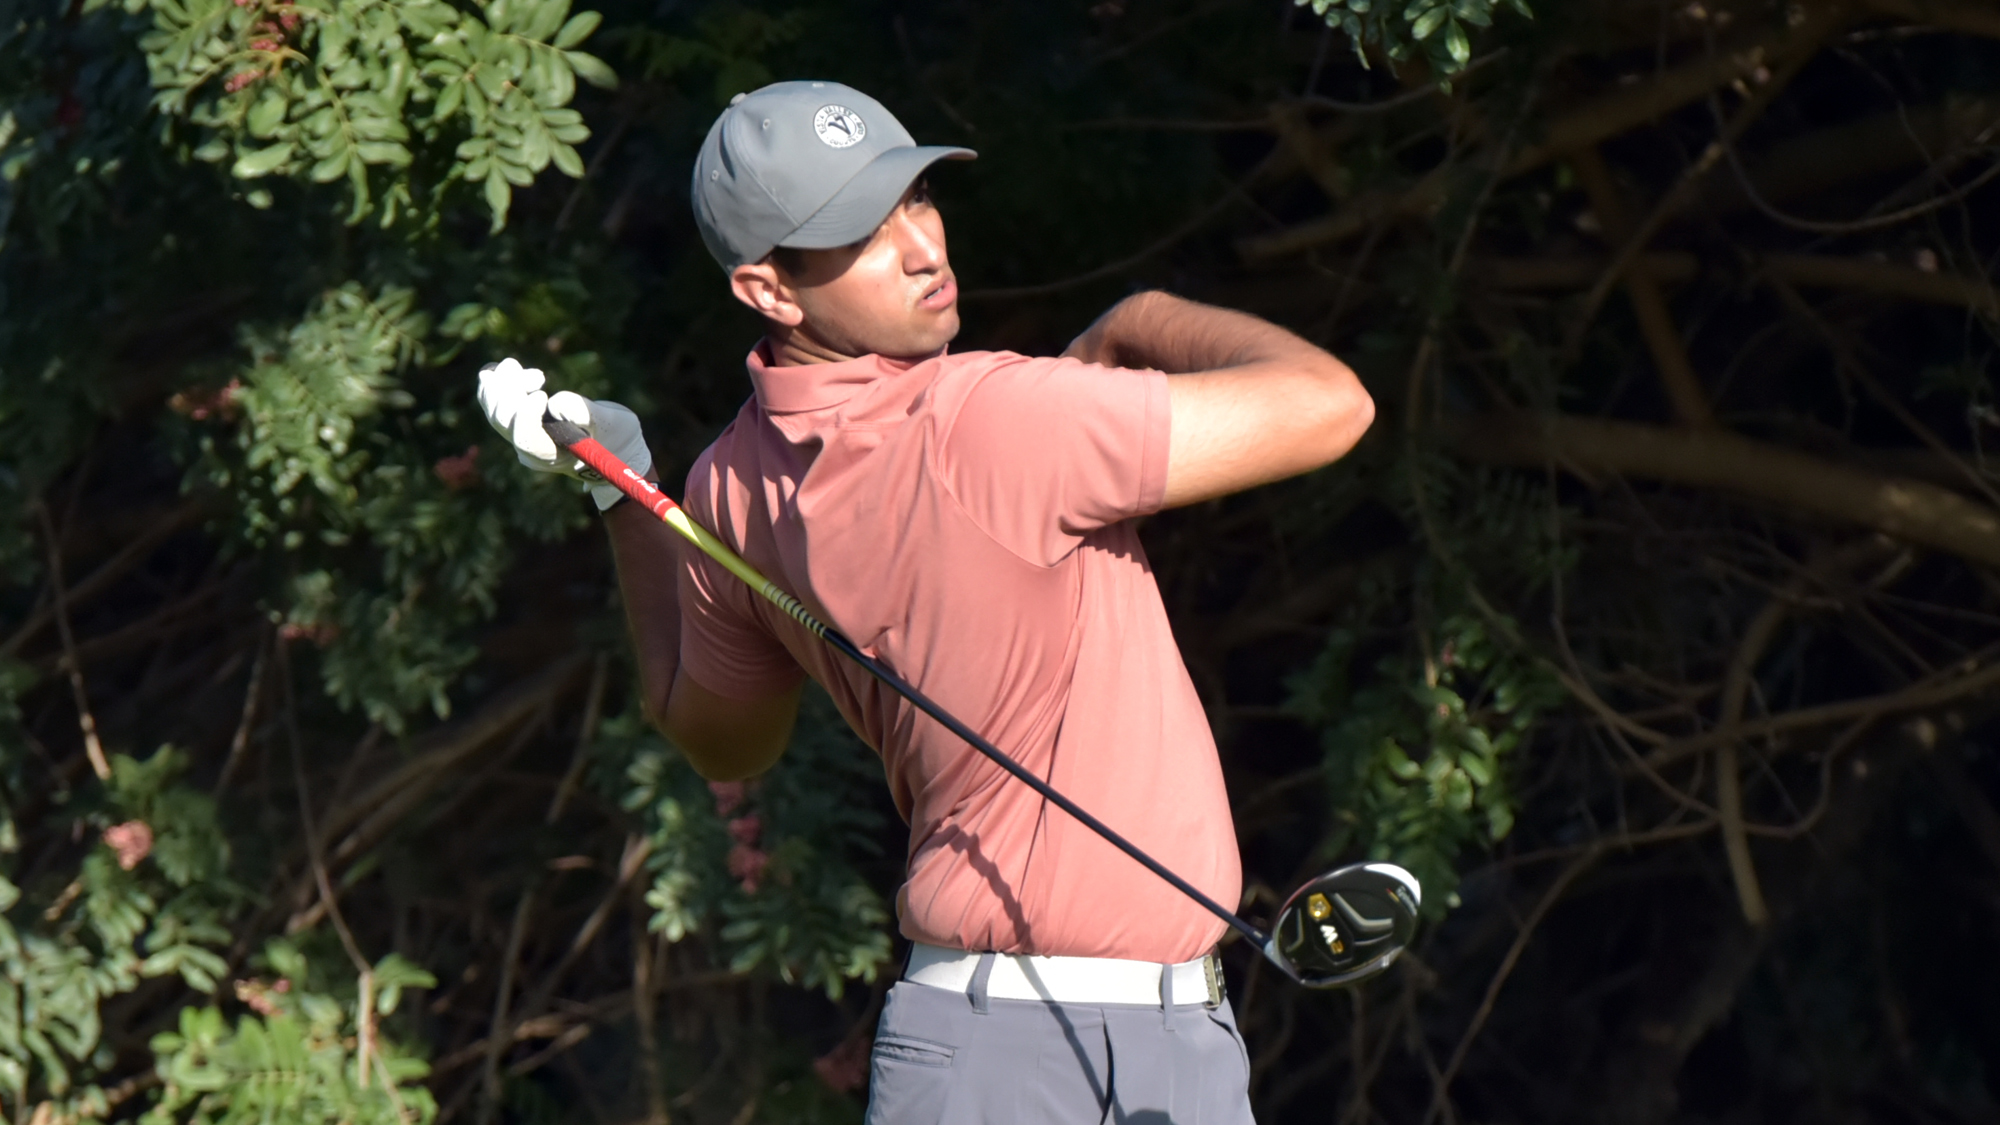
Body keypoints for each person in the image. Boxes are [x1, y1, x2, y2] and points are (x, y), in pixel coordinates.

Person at [478, 80, 1373, 1125]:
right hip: (1034, 1058)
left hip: (1109, 1042)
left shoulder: (724, 484)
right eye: (860, 232)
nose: (921, 247)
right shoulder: (985, 416)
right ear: (768, 291)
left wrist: (623, 492)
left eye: (914, 198)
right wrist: (1138, 316)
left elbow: (723, 741)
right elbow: (1331, 405)